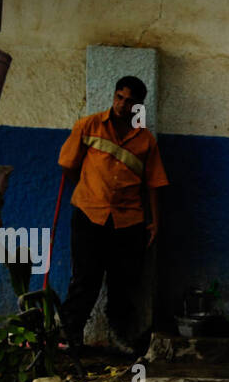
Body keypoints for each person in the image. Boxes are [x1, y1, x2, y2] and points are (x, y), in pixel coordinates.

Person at [58, 75, 169, 359]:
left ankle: (120, 338)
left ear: (139, 105)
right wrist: (89, 192)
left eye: (129, 101)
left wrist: (154, 221)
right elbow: (69, 166)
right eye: (119, 97)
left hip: (128, 222)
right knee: (84, 279)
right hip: (88, 214)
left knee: (123, 283)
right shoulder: (89, 125)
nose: (122, 104)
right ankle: (70, 336)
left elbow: (154, 184)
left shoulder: (146, 141)